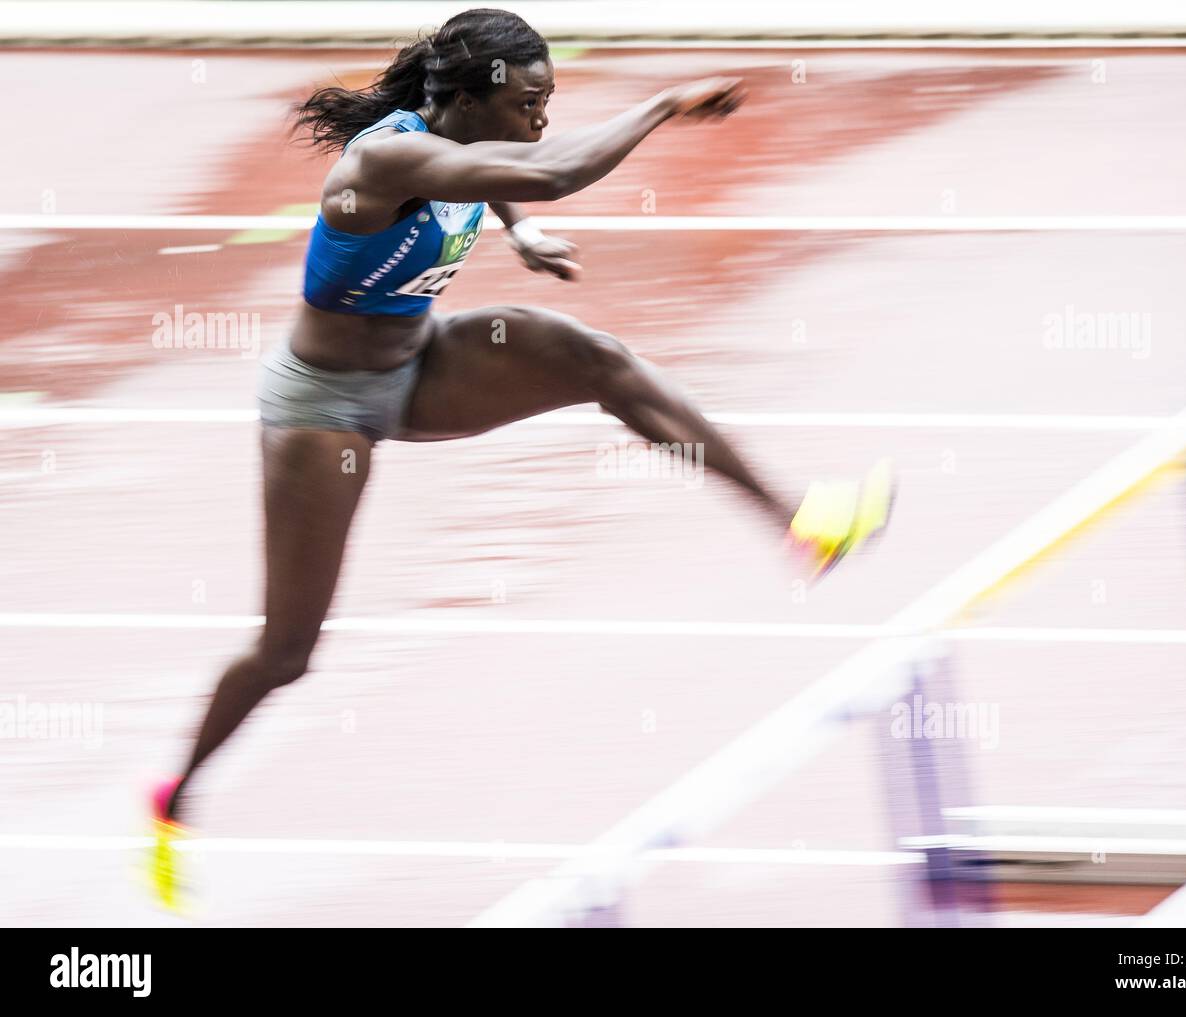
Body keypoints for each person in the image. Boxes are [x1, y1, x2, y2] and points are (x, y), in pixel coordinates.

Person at [149, 7, 894, 911]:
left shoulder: (461, 132)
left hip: (419, 366)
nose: (544, 115)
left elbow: (493, 172)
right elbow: (549, 170)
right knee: (289, 652)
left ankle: (801, 523)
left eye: (553, 98)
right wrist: (659, 104)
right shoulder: (383, 160)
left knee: (597, 359)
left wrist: (516, 235)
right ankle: (174, 798)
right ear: (471, 96)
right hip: (324, 409)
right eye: (532, 99)